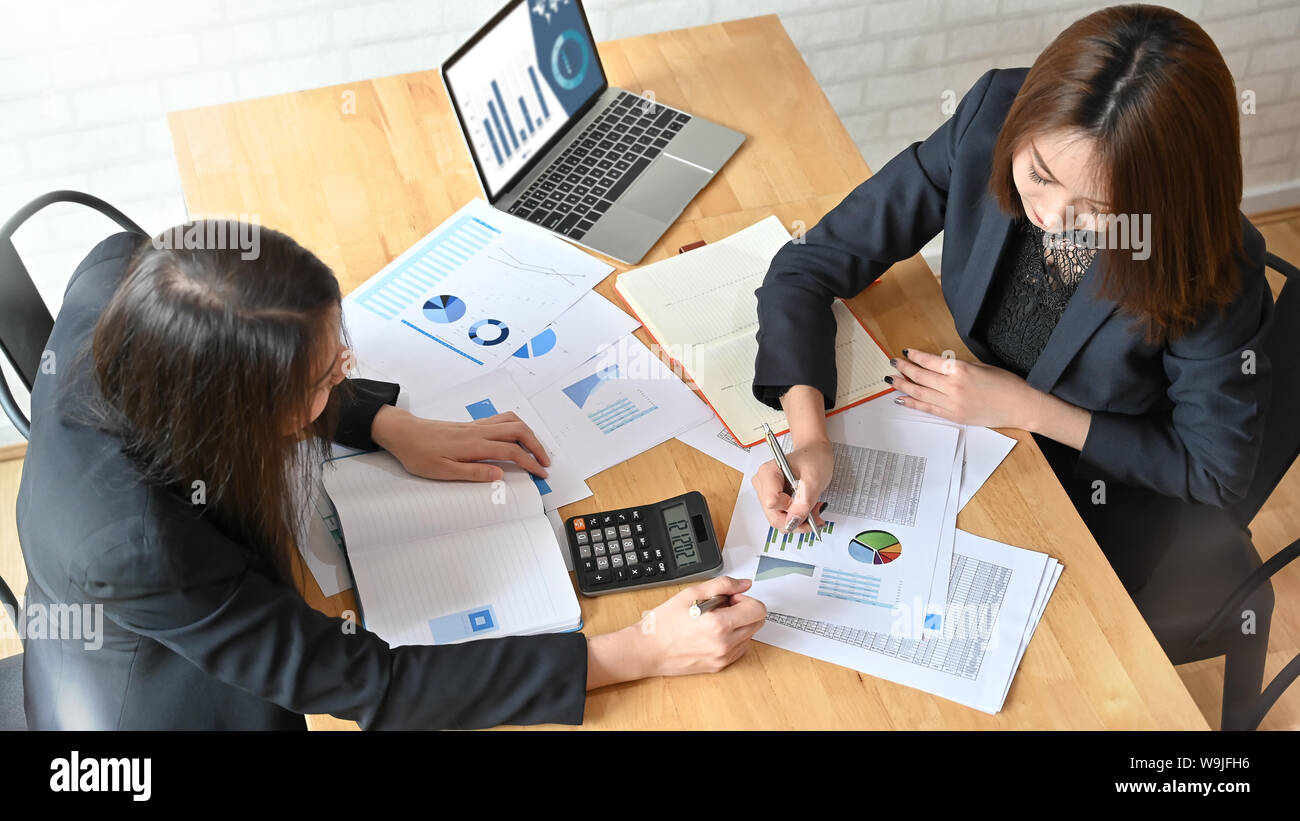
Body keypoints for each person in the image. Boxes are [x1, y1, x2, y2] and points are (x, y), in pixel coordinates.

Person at [17, 223, 766, 730]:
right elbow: (364, 680)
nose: (344, 375)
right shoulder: (142, 546)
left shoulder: (120, 277)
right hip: (146, 694)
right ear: (235, 417)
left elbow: (243, 361)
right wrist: (633, 651)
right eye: (325, 379)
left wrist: (380, 422)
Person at [751, 4, 1273, 594]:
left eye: (1098, 209)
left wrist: (1027, 409)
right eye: (1041, 174)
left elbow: (1215, 472)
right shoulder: (990, 114)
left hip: (1092, 494)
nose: (1051, 216)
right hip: (961, 436)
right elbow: (807, 265)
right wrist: (810, 440)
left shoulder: (1211, 260)